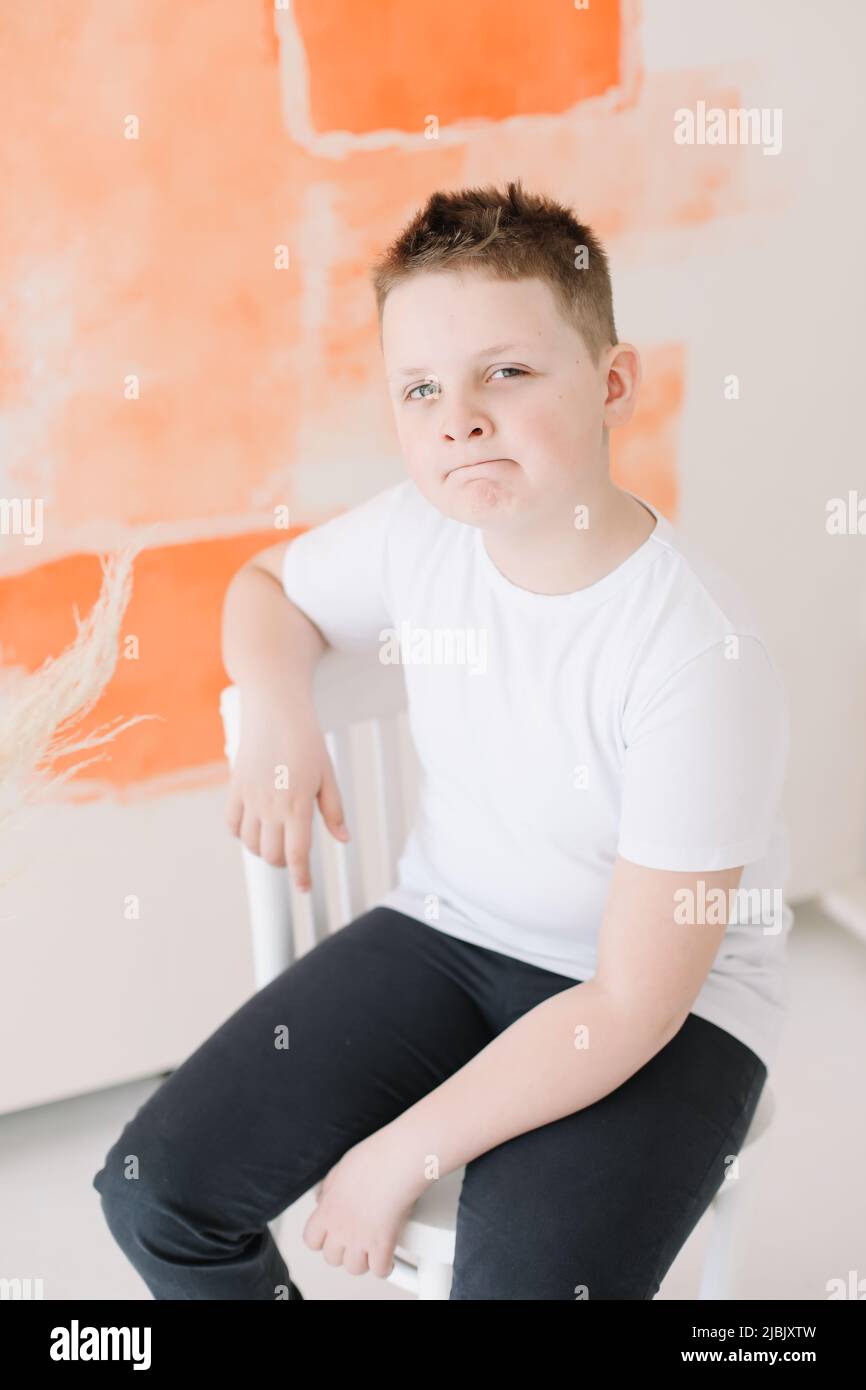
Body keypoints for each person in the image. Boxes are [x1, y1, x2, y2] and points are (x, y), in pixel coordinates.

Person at [93, 179, 791, 1300]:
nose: (457, 418)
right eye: (420, 388)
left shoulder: (695, 653)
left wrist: (396, 1157)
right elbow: (265, 587)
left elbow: (628, 1004)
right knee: (156, 1193)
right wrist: (278, 709)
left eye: (505, 372)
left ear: (612, 384)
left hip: (665, 1007)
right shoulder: (420, 534)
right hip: (454, 935)